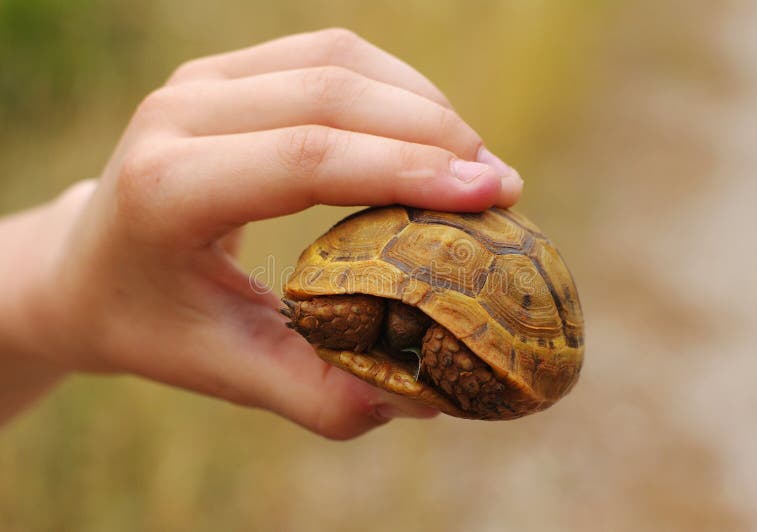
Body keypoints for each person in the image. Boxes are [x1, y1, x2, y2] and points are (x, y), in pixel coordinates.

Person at [0, 29, 523, 439]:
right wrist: (57, 281)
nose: (406, 324)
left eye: (417, 317)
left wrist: (54, 275)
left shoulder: (437, 340)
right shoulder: (369, 311)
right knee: (358, 319)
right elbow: (365, 314)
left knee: (443, 353)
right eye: (404, 313)